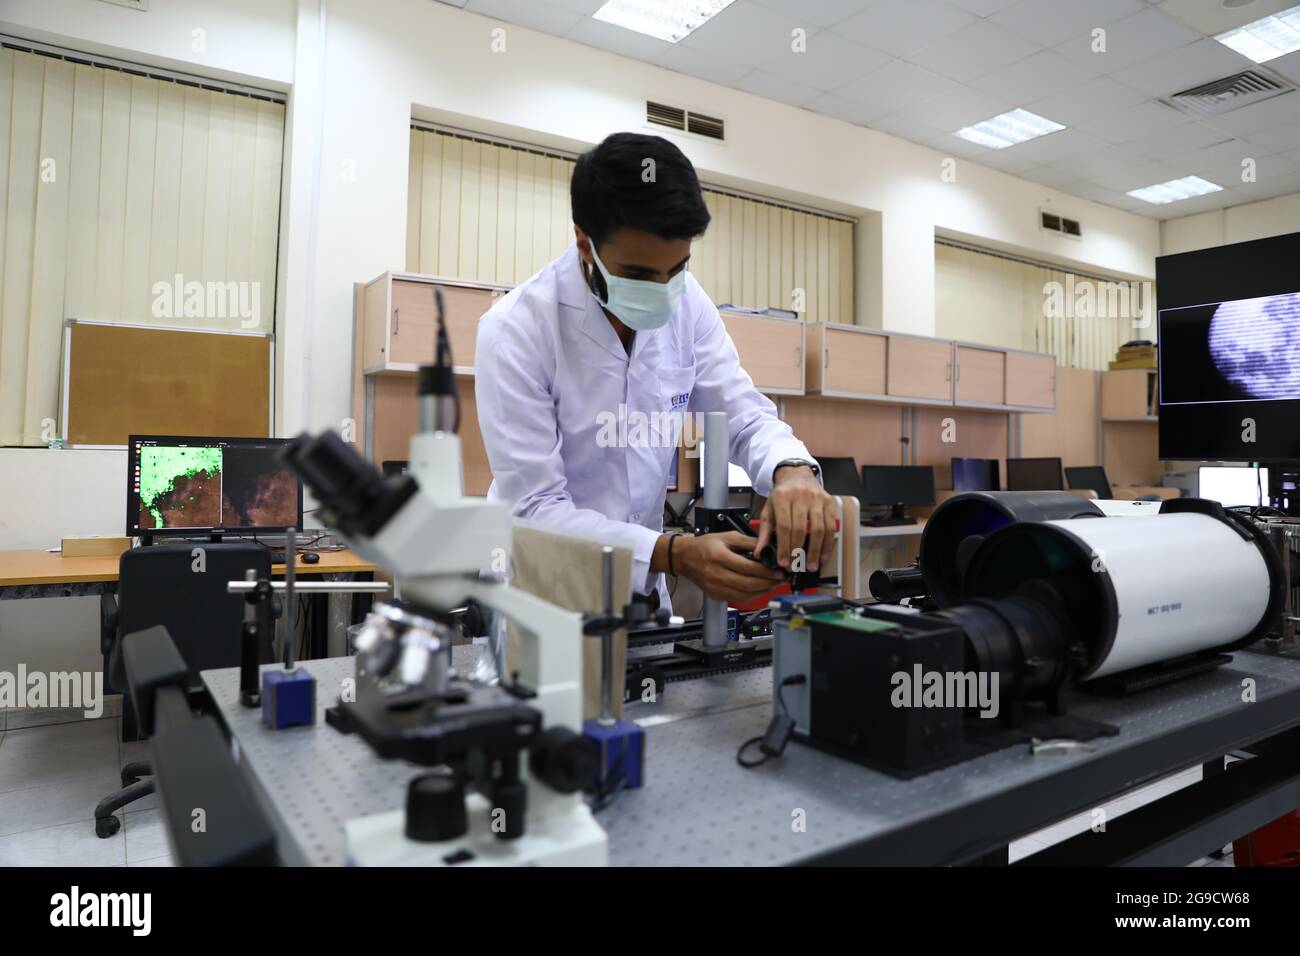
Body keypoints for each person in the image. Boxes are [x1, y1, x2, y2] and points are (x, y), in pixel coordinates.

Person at [475, 132, 836, 608]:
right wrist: (673, 553)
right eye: (640, 275)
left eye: (677, 269)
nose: (664, 289)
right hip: (540, 595)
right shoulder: (516, 330)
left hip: (640, 596)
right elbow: (536, 509)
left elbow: (742, 417)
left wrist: (792, 472)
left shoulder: (689, 303)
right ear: (585, 242)